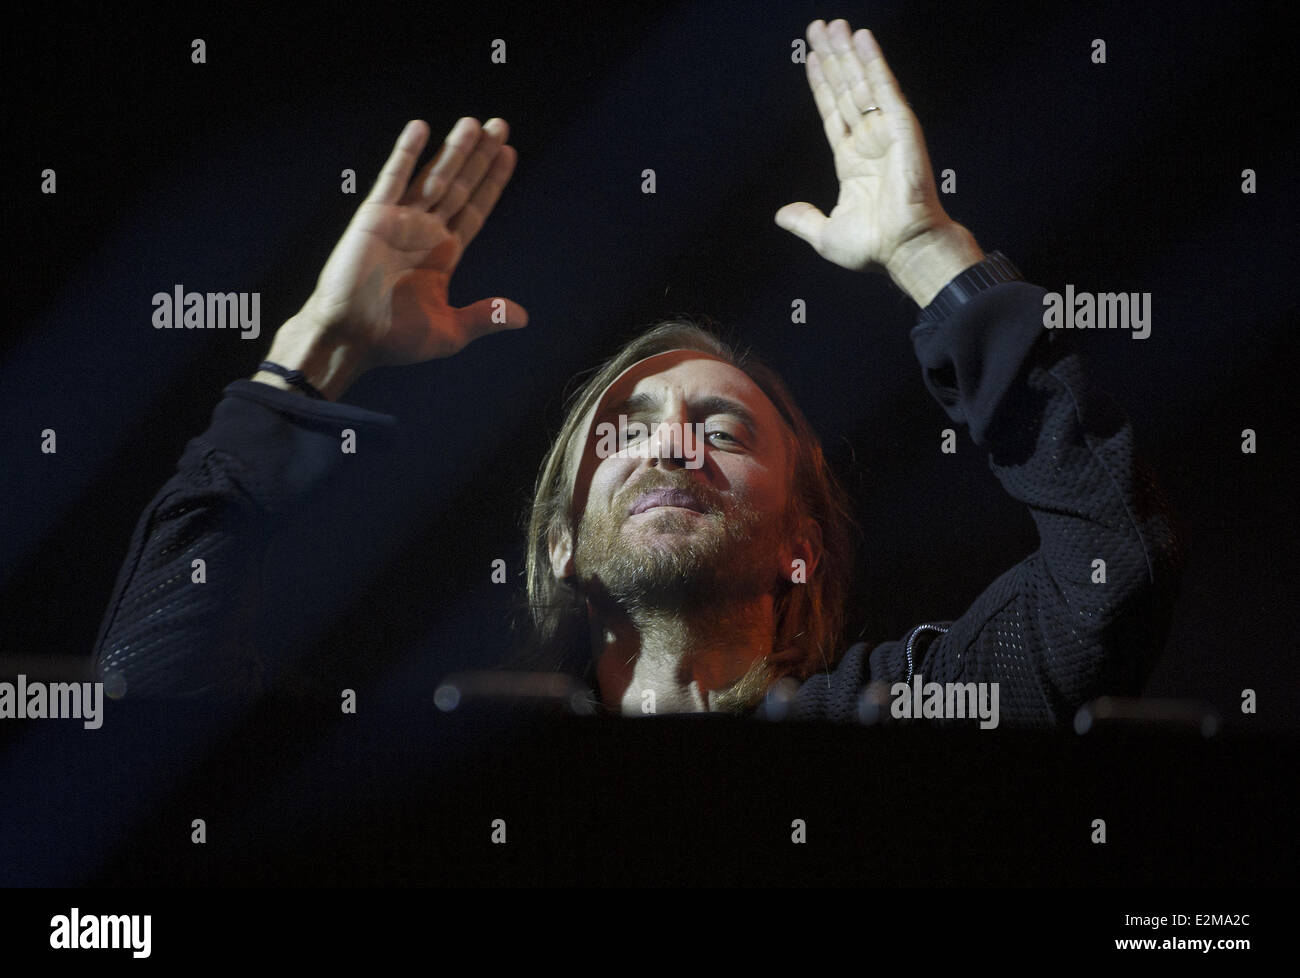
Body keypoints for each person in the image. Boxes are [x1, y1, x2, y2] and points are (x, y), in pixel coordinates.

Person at [91, 19, 1183, 725]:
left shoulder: (904, 711)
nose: (668, 441)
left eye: (724, 429)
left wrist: (924, 251)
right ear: (559, 540)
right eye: (624, 427)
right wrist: (313, 351)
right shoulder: (442, 757)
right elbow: (146, 700)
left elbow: (1113, 563)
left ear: (801, 547)